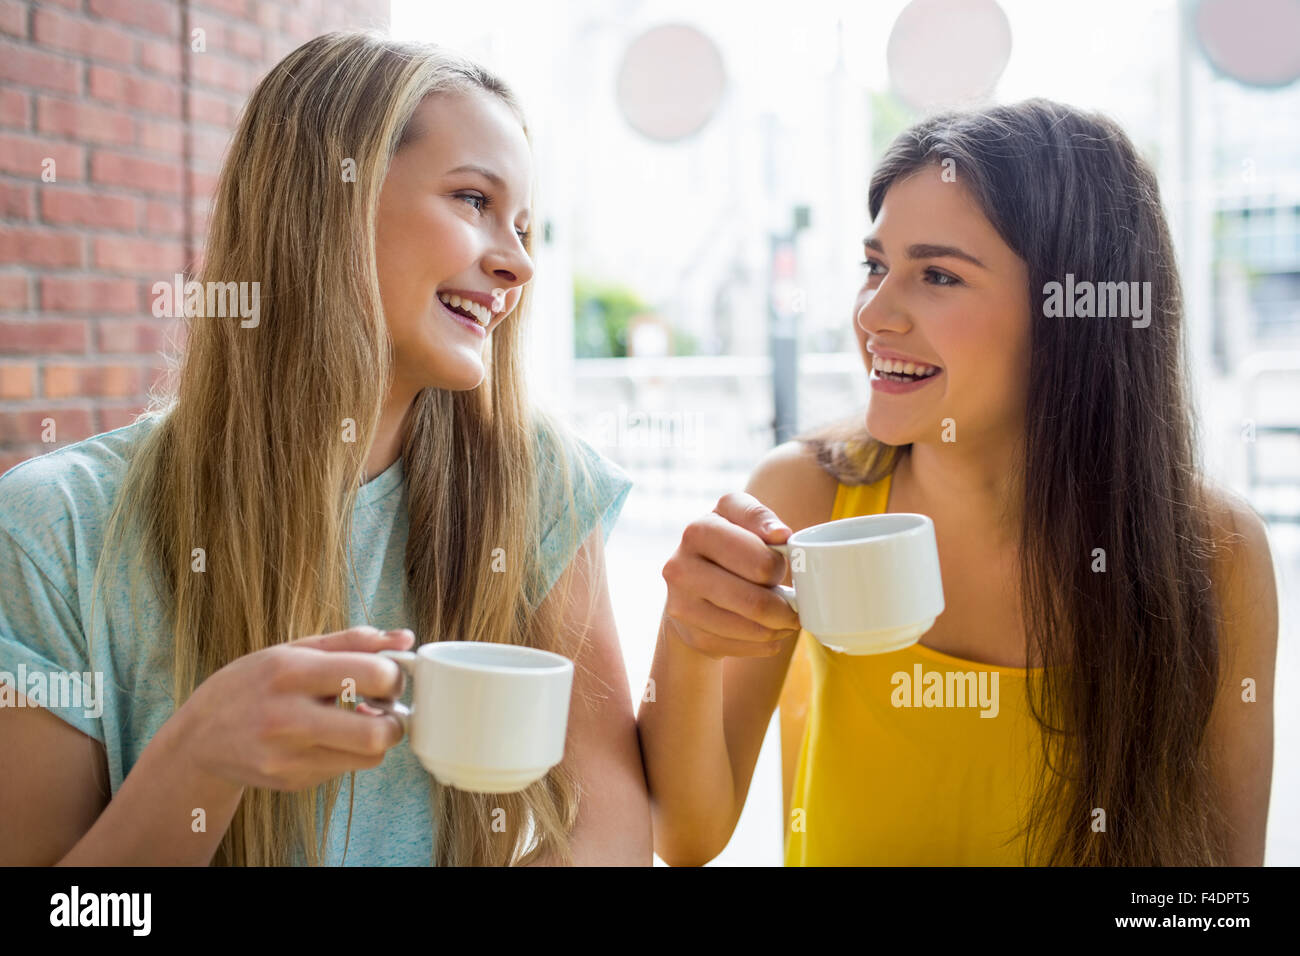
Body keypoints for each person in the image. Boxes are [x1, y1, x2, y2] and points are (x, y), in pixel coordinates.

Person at [0, 31, 651, 867]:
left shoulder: (538, 483)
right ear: (327, 200)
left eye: (525, 225)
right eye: (473, 200)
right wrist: (201, 754)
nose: (519, 263)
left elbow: (614, 828)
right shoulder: (53, 527)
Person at [639, 99, 1277, 866]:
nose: (874, 313)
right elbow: (684, 835)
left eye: (937, 274)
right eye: (875, 266)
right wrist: (689, 640)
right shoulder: (807, 498)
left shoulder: (1214, 552)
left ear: (1072, 313)